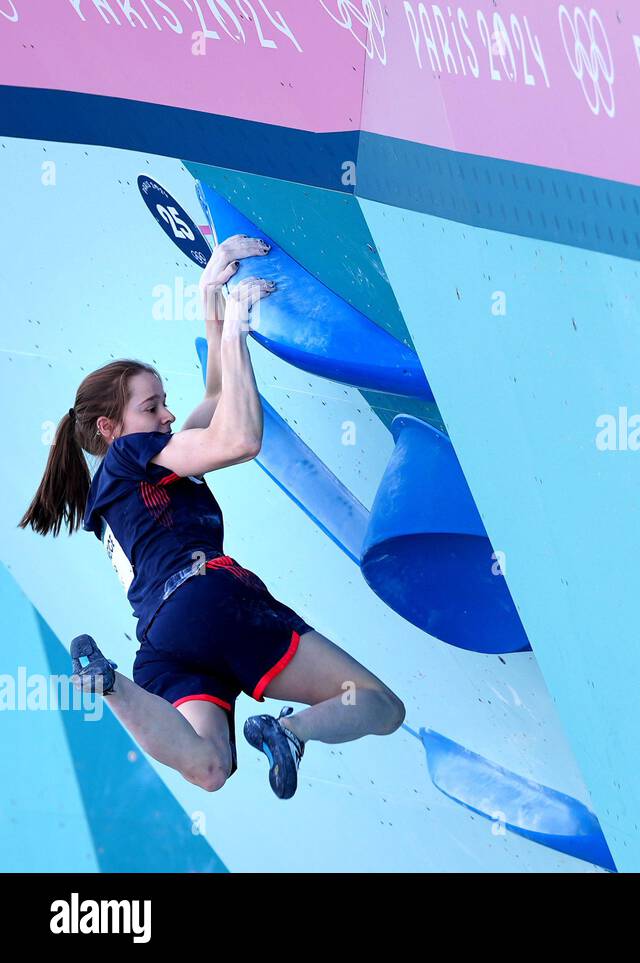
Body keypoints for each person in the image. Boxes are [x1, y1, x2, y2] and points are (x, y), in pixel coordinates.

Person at [18, 234, 405, 799]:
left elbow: (219, 392)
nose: (168, 414)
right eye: (152, 408)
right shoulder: (133, 453)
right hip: (212, 601)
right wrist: (240, 330)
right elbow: (241, 437)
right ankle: (290, 732)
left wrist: (211, 288)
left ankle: (109, 685)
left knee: (208, 768)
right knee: (379, 704)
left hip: (161, 641)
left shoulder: (121, 485)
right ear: (108, 430)